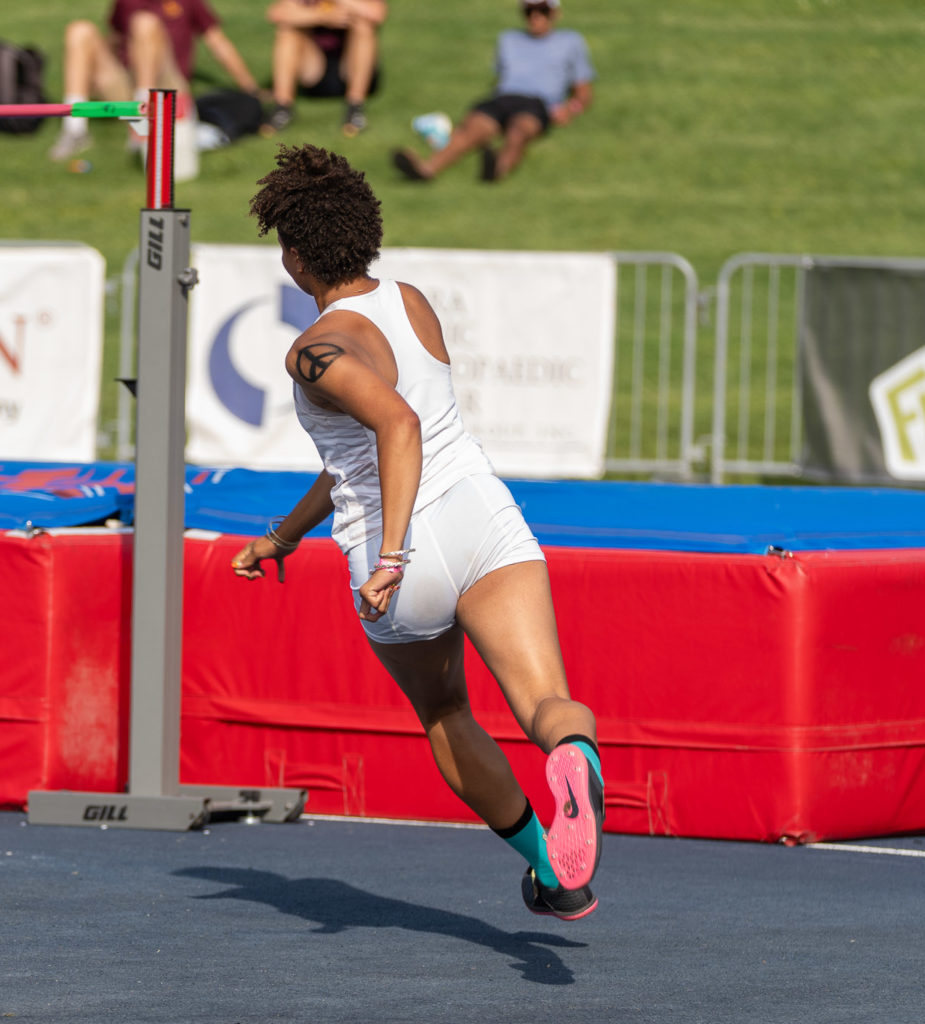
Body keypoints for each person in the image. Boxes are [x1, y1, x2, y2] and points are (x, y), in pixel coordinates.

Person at [232, 144, 606, 920]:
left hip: (397, 552)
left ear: (296, 257)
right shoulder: (410, 299)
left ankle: (551, 868)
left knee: (445, 712)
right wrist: (286, 535)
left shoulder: (313, 351)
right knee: (547, 703)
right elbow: (357, 453)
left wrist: (394, 555)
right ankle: (574, 760)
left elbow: (396, 428)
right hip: (483, 516)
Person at [47, 0, 264, 173]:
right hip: (128, 83)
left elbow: (218, 43)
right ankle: (75, 130)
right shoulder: (125, 3)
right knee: (80, 30)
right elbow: (114, 41)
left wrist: (251, 89)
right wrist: (95, 74)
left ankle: (143, 123)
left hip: (169, 85)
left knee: (145, 23)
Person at [392, 0, 593, 183]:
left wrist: (570, 109)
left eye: (542, 10)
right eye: (529, 11)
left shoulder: (570, 42)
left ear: (554, 13)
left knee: (519, 132)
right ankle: (425, 169)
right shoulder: (508, 39)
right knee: (470, 131)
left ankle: (497, 169)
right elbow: (500, 79)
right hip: (503, 98)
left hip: (537, 102)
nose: (535, 16)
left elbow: (583, 91)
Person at [261, 0, 388, 137]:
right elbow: (275, 14)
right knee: (288, 30)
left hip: (349, 67)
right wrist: (322, 16)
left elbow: (377, 13)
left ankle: (355, 107)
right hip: (314, 66)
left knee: (363, 25)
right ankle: (282, 108)